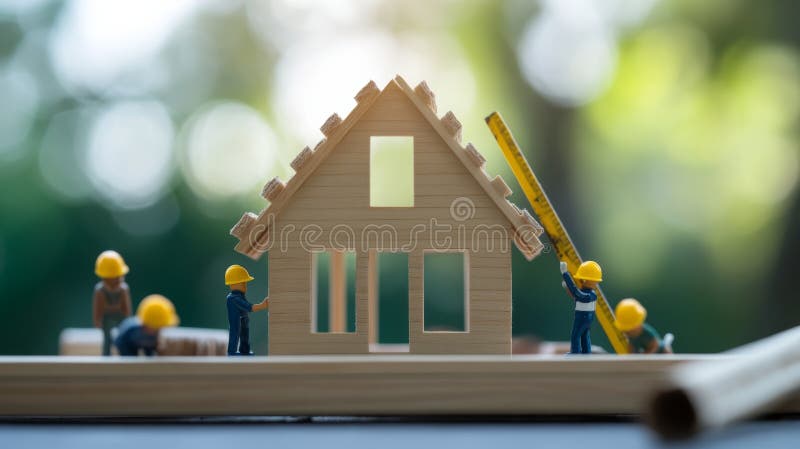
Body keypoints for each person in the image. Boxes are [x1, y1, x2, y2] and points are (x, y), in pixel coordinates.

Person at [92, 250, 132, 356]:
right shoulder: (100, 291)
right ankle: (106, 356)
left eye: (118, 277)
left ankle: (124, 355)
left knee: (124, 337)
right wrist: (97, 320)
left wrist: (128, 321)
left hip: (121, 317)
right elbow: (97, 308)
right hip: (107, 318)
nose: (115, 281)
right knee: (107, 339)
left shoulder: (123, 290)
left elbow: (127, 308)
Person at [560, 260, 603, 354]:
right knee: (585, 336)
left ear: (586, 280)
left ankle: (575, 353)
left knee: (575, 336)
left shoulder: (587, 295)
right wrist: (567, 286)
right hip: (588, 319)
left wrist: (565, 274)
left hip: (581, 318)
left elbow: (575, 292)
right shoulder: (592, 294)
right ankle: (587, 352)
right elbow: (575, 296)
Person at [115, 294, 179, 356]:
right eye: (157, 328)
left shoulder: (154, 335)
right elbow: (121, 346)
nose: (159, 331)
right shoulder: (129, 332)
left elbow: (151, 349)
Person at [225, 265, 268, 356]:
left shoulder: (240, 296)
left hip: (243, 321)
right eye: (243, 283)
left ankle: (244, 351)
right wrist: (262, 305)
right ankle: (232, 352)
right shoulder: (233, 298)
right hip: (237, 323)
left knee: (245, 337)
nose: (245, 286)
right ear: (234, 284)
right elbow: (249, 307)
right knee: (235, 335)